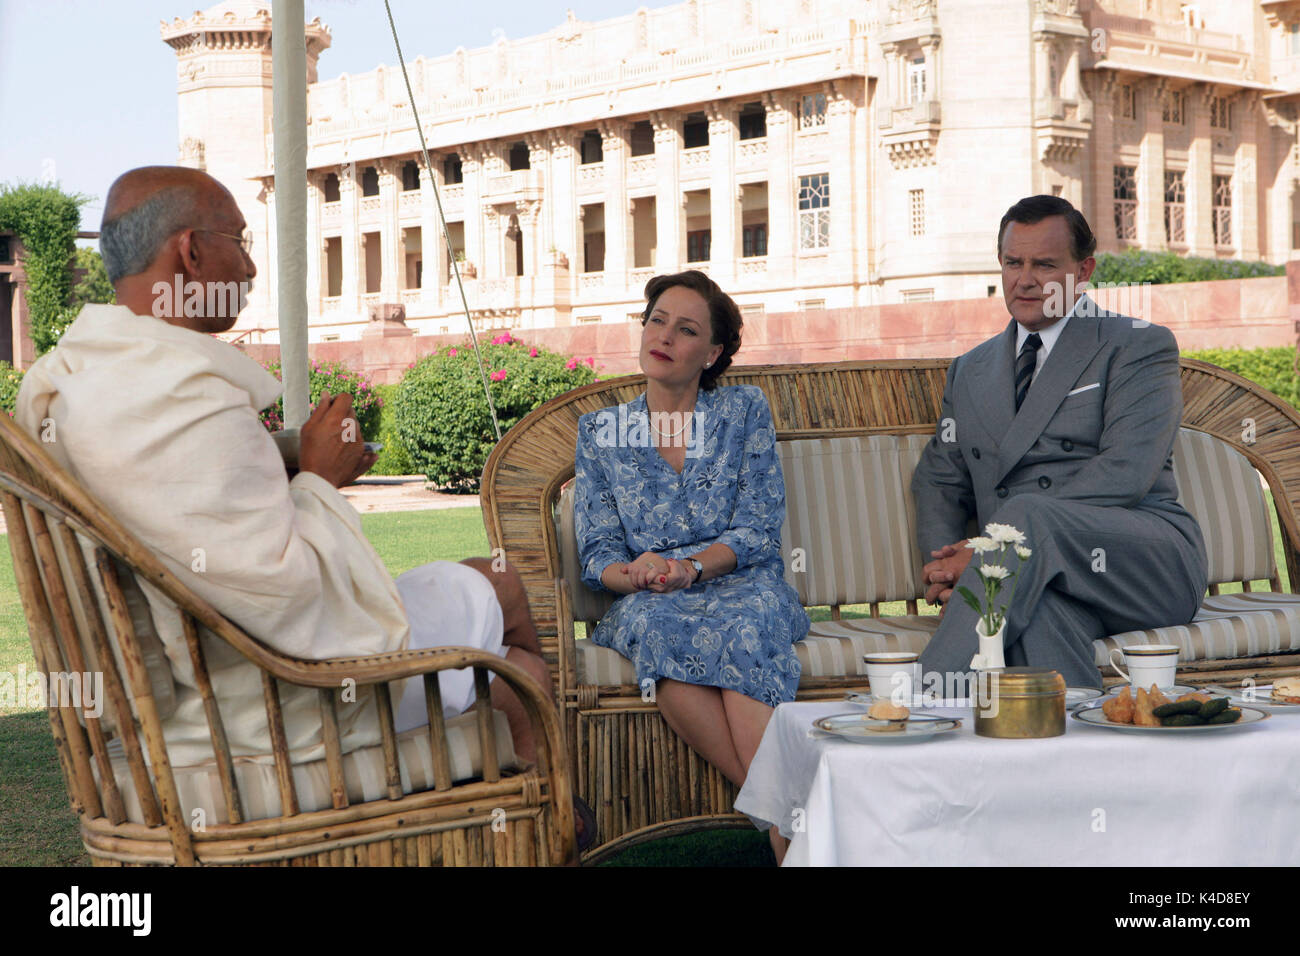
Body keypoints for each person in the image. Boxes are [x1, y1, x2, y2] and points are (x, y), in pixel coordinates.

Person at [14, 167, 595, 839]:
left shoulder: (80, 376)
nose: (253, 264)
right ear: (191, 252)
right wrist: (321, 476)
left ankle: (521, 806)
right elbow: (289, 598)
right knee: (506, 602)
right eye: (240, 238)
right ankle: (550, 820)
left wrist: (288, 457)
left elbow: (195, 508)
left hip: (178, 695)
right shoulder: (181, 398)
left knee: (499, 645)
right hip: (270, 706)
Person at [911, 195, 1208, 689]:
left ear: (1084, 270)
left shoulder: (1136, 344)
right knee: (1041, 617)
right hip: (1023, 576)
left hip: (1141, 562)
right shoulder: (970, 369)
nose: (1024, 279)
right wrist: (946, 570)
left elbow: (1126, 472)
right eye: (1013, 262)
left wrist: (989, 549)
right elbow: (939, 481)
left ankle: (925, 700)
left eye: (1044, 264)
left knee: (1027, 516)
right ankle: (1075, 753)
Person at [573, 269, 808, 859]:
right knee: (658, 626)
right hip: (651, 598)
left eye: (686, 329)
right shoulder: (602, 431)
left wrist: (695, 569)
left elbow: (758, 528)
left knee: (745, 624)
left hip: (739, 582)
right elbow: (598, 551)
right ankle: (798, 824)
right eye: (656, 320)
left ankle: (788, 836)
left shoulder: (743, 410)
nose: (665, 336)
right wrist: (639, 573)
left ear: (712, 352)